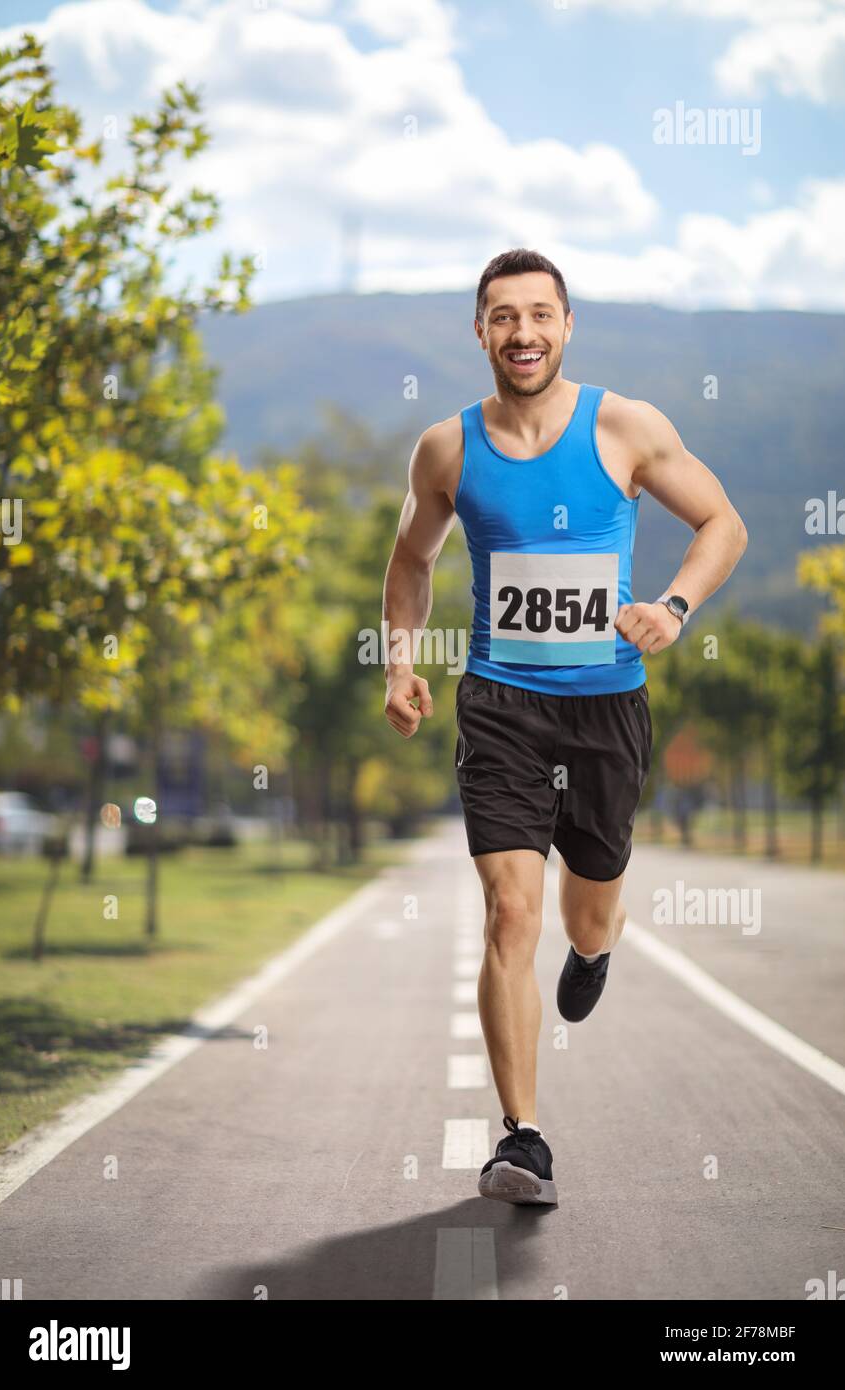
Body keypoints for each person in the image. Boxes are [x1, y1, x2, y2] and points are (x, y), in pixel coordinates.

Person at [382, 248, 747, 1206]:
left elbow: (723, 526)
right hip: (500, 706)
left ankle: (596, 948)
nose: (523, 333)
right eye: (503, 317)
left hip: (606, 709)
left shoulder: (624, 426)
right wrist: (400, 661)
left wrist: (670, 608)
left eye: (539, 315)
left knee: (586, 909)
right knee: (510, 911)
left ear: (567, 324)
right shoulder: (446, 449)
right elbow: (411, 562)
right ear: (480, 331)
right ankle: (523, 1139)